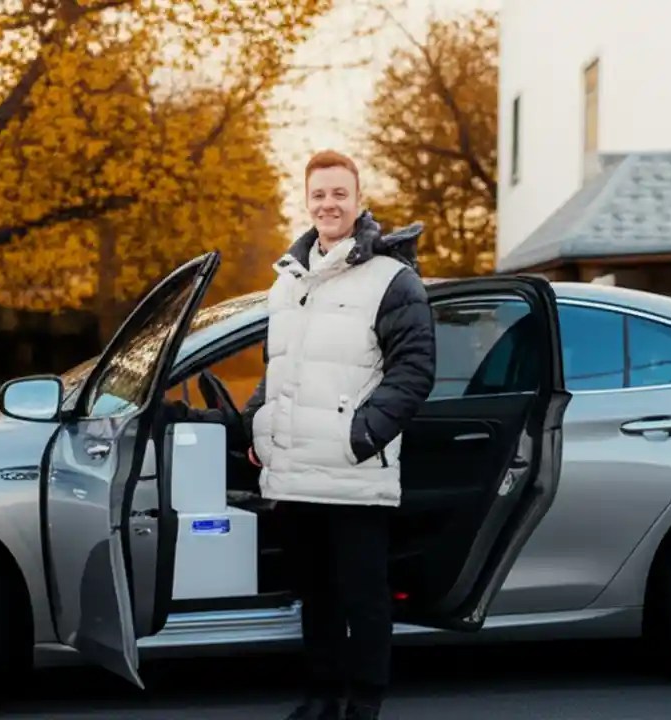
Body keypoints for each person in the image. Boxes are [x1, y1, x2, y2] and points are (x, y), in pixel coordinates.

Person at [241, 150, 436, 720]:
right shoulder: (286, 282)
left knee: (364, 598)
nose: (329, 204)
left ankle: (365, 702)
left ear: (358, 199)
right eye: (319, 194)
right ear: (306, 201)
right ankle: (323, 697)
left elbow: (415, 369)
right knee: (317, 595)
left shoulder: (392, 279)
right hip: (295, 469)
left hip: (353, 470)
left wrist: (362, 435)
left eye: (339, 194)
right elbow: (277, 368)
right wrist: (259, 424)